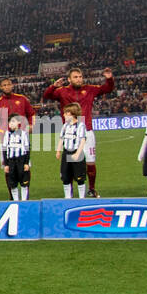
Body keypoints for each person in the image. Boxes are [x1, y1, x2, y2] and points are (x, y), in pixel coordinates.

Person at [42, 67, 115, 197]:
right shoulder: (62, 91)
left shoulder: (90, 89)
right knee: (70, 162)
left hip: (87, 131)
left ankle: (91, 189)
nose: (79, 79)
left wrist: (109, 79)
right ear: (69, 79)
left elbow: (107, 89)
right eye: (75, 77)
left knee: (90, 161)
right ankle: (69, 192)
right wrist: (53, 86)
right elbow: (47, 96)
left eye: (80, 77)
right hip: (70, 133)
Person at [0, 79, 35, 195]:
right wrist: (5, 132)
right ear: (1, 87)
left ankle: (25, 195)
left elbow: (31, 113)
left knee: (25, 166)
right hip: (6, 141)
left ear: (12, 85)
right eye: (4, 85)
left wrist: (31, 125)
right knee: (7, 168)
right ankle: (12, 195)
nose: (7, 87)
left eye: (9, 84)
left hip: (22, 139)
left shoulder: (22, 99)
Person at [56, 105, 88, 199]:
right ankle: (67, 198)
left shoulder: (80, 125)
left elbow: (83, 140)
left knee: (79, 177)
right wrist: (58, 151)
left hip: (77, 152)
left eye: (66, 113)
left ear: (72, 114)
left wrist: (77, 153)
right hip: (66, 153)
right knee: (65, 177)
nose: (64, 115)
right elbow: (61, 139)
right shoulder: (65, 126)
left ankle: (82, 198)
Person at [0, 115, 31, 201]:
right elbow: (4, 150)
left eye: (13, 121)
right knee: (13, 183)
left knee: (24, 182)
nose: (11, 124)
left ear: (19, 122)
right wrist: (6, 164)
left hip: (21, 160)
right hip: (11, 161)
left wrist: (26, 163)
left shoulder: (23, 134)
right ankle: (16, 201)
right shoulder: (7, 135)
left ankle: (24, 201)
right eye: (10, 122)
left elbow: (27, 149)